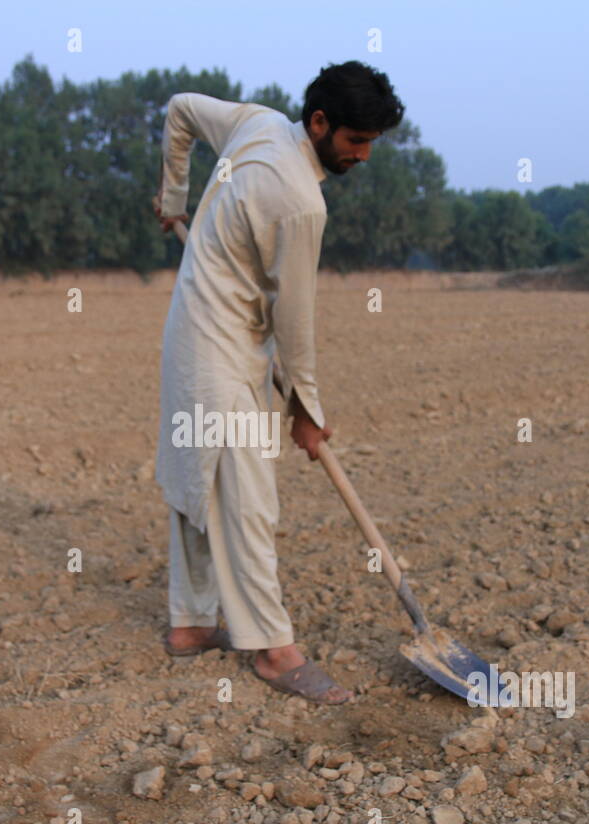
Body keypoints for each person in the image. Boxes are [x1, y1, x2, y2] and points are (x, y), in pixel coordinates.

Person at [152, 61, 404, 704]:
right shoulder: (301, 203)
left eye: (372, 142)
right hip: (220, 351)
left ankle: (190, 623)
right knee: (249, 498)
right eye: (356, 141)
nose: (365, 155)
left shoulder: (255, 124)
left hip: (191, 332)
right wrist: (307, 410)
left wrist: (174, 196)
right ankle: (272, 649)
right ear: (319, 123)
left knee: (199, 477)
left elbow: (179, 108)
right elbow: (296, 320)